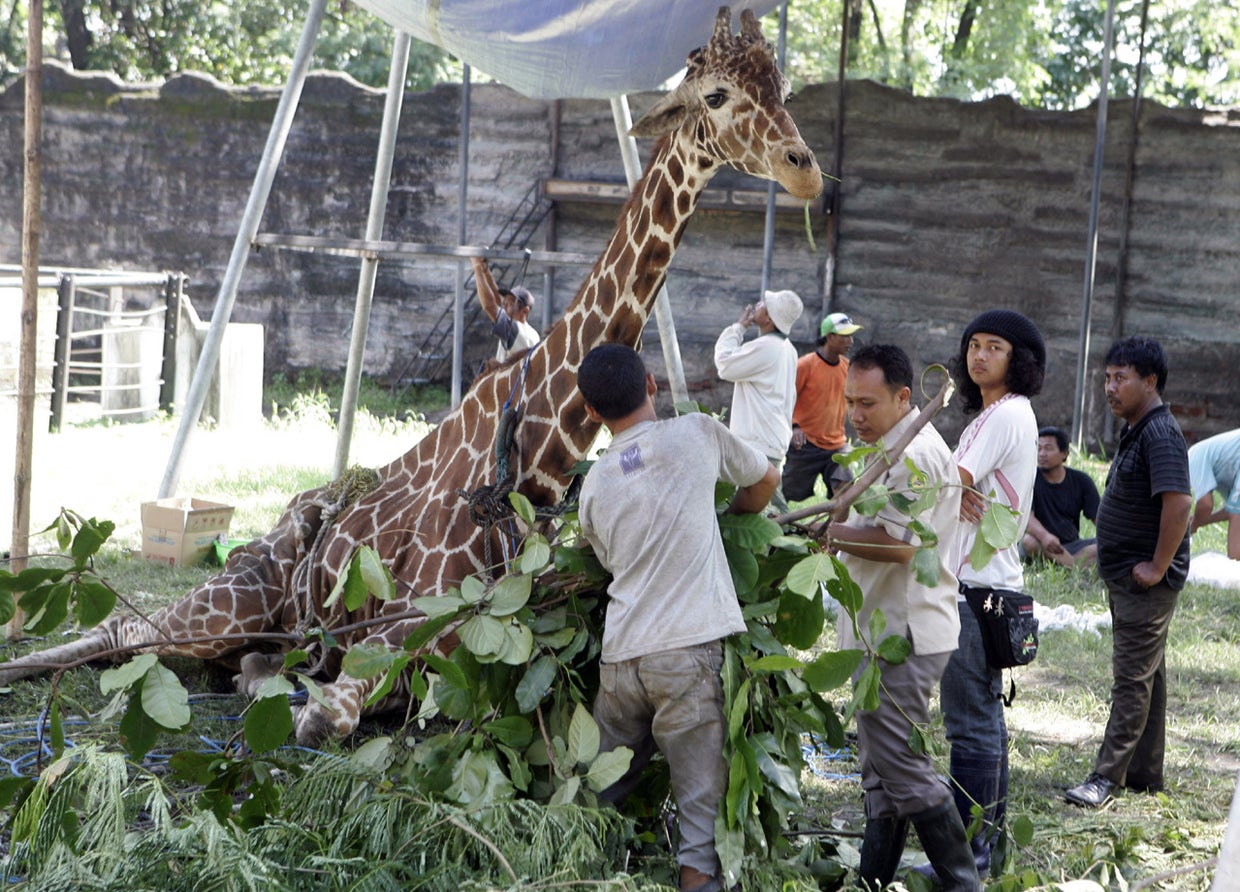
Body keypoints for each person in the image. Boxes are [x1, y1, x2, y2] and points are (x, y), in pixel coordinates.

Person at [575, 343, 779, 892]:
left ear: (592, 414)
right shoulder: (697, 433)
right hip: (688, 657)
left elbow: (605, 560)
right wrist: (729, 520)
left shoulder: (592, 486)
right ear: (652, 385)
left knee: (601, 793)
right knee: (701, 813)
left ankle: (581, 875)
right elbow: (765, 479)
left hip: (620, 661)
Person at [827, 344, 979, 891]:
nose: (856, 415)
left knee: (900, 765)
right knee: (881, 770)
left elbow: (898, 546)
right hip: (880, 632)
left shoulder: (914, 455)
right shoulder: (888, 447)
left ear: (903, 397)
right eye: (851, 402)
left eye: (867, 403)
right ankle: (873, 883)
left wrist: (827, 529)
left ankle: (965, 884)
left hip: (906, 633)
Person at [1065, 335, 1192, 808]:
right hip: (1129, 577)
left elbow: (1179, 504)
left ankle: (1105, 778)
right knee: (1148, 674)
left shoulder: (1160, 432)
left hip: (1147, 581)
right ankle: (1144, 773)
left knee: (1131, 679)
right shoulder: (1139, 427)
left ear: (1150, 381)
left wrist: (1158, 565)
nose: (1109, 387)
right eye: (1106, 378)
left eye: (1121, 378)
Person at [938, 309, 1044, 876]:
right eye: (973, 345)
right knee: (986, 721)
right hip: (991, 586)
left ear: (1018, 360)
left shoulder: (1005, 416)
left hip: (974, 589)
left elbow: (949, 481)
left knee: (970, 724)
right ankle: (988, 848)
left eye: (994, 347)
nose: (979, 356)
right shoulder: (997, 415)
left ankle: (967, 858)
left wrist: (945, 486)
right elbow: (957, 487)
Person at [714, 289, 803, 511]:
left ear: (770, 319)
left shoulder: (766, 346)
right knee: (767, 506)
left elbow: (724, 364)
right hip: (771, 438)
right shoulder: (787, 349)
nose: (759, 304)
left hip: (758, 442)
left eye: (765, 304)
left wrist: (739, 328)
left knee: (771, 510)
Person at [782, 312, 863, 503]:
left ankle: (834, 530)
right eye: (845, 336)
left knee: (844, 489)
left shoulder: (848, 368)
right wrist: (794, 427)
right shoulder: (805, 365)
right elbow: (786, 398)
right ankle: (783, 527)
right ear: (829, 337)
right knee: (788, 496)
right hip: (805, 444)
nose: (850, 341)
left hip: (837, 445)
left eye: (851, 336)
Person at [1022, 425, 1101, 568]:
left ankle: (1065, 563)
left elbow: (1100, 521)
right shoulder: (1030, 479)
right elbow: (1027, 518)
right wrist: (1045, 536)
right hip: (1040, 543)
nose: (1042, 454)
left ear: (1064, 453)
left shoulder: (1082, 481)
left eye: (1048, 448)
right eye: (1038, 448)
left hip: (1071, 545)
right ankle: (1074, 567)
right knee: (1028, 541)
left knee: (1106, 545)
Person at [471, 255, 540, 362]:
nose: (504, 305)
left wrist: (477, 269)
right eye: (505, 302)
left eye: (510, 303)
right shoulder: (533, 334)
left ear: (525, 310)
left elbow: (489, 306)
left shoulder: (515, 329)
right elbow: (500, 302)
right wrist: (486, 272)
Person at [1187, 428, 1240, 560]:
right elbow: (1231, 508)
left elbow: (1205, 505)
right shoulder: (1225, 467)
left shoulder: (1193, 457)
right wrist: (1197, 521)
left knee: (1235, 559)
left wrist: (1192, 527)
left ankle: (1234, 576)